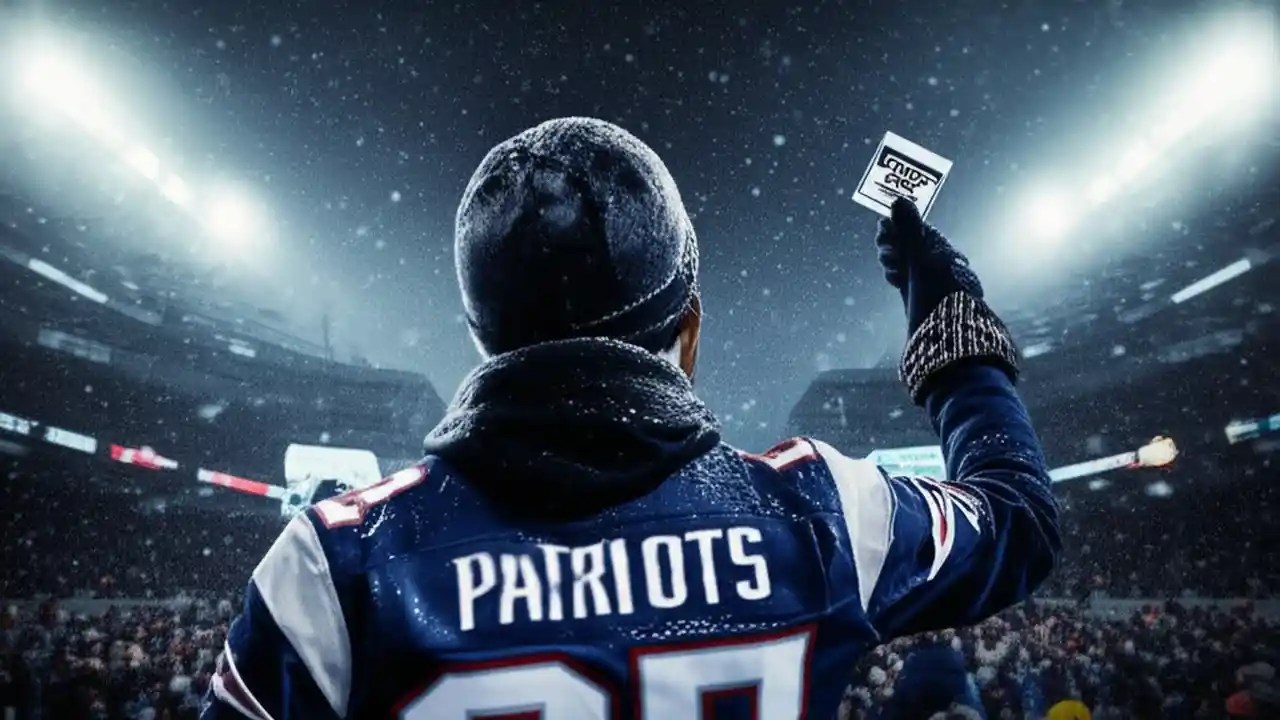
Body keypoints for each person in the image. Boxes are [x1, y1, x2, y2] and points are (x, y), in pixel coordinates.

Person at [201, 117, 1061, 719]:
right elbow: (1018, 516)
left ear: (479, 335)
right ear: (687, 327)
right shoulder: (825, 512)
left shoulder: (336, 564)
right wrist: (943, 302)